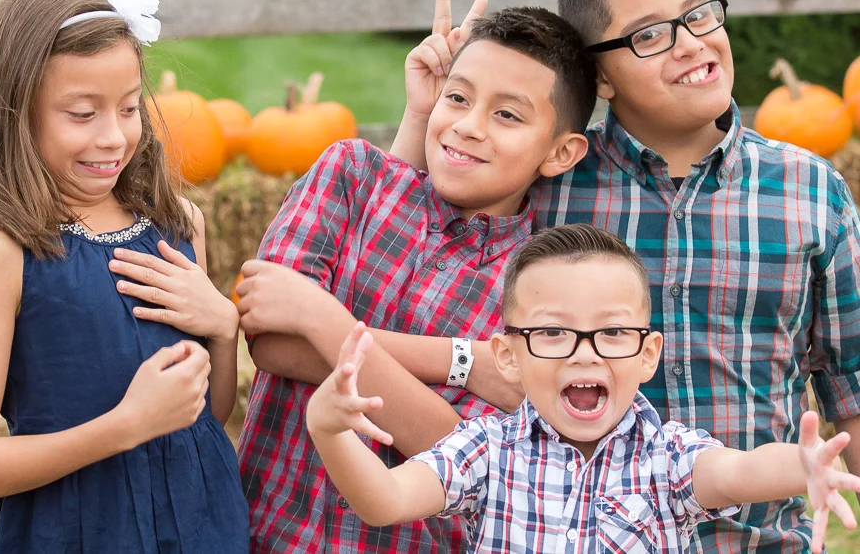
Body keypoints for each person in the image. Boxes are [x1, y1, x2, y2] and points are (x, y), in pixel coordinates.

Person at [387, 0, 860, 552]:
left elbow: (852, 390)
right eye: (649, 35)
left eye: (698, 14)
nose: (691, 43)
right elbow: (404, 241)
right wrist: (432, 112)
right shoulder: (547, 185)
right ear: (600, 77)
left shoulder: (810, 193)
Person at [234, 5, 595, 552]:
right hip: (266, 533)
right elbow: (273, 343)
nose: (469, 126)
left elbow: (451, 447)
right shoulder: (351, 173)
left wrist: (319, 316)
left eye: (508, 116)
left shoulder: (542, 285)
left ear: (560, 152)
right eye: (458, 97)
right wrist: (463, 362)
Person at [307, 224, 860, 554]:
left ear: (648, 355)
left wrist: (801, 467)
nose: (585, 351)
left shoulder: (667, 458)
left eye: (613, 332)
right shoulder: (485, 452)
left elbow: (740, 472)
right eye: (552, 332)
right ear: (508, 356)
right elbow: (385, 501)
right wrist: (327, 428)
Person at [0, 0, 249, 553]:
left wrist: (224, 329)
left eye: (129, 108)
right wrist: (124, 427)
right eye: (82, 114)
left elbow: (203, 416)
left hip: (198, 525)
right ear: (14, 115)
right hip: (69, 532)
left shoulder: (178, 224)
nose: (114, 137)